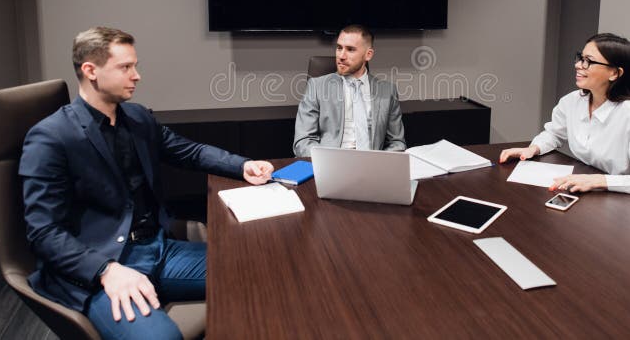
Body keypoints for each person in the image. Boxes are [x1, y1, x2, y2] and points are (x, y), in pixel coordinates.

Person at [20, 27, 273, 340]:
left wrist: (242, 164)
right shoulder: (50, 136)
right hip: (100, 267)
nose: (136, 75)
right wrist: (106, 271)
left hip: (158, 249)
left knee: (265, 271)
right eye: (126, 67)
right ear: (91, 71)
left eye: (135, 65)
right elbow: (43, 232)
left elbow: (189, 152)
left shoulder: (138, 117)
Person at [499, 33, 630, 198]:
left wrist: (600, 181)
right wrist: (534, 148)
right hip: (590, 195)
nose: (578, 65)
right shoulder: (573, 101)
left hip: (626, 205)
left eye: (588, 61)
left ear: (615, 73)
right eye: (580, 58)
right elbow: (554, 133)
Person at [293, 24, 406, 157]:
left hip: (372, 166)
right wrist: (328, 161)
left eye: (350, 49)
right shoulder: (316, 86)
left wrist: (379, 162)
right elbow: (302, 142)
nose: (341, 55)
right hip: (330, 164)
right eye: (339, 47)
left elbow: (397, 143)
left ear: (368, 54)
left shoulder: (387, 91)